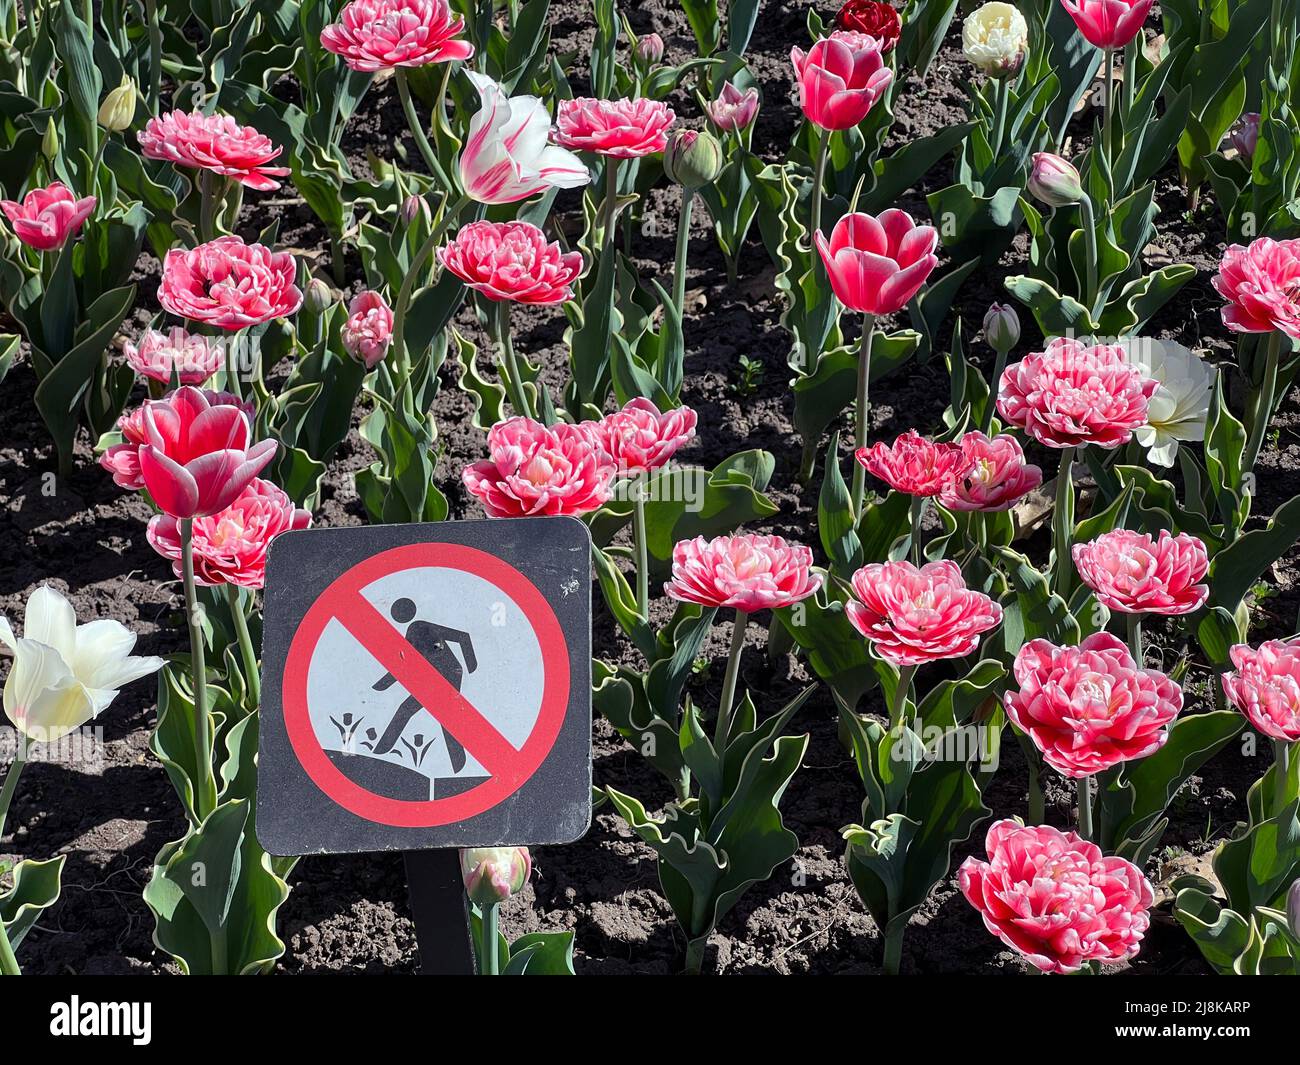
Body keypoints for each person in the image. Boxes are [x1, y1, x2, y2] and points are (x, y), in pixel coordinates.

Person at [370, 598, 478, 771]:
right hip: (433, 677)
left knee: (436, 714)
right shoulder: (412, 632)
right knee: (413, 710)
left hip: (449, 675)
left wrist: (472, 665)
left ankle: (459, 762)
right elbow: (404, 662)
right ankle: (383, 749)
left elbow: (461, 637)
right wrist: (383, 684)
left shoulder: (419, 627)